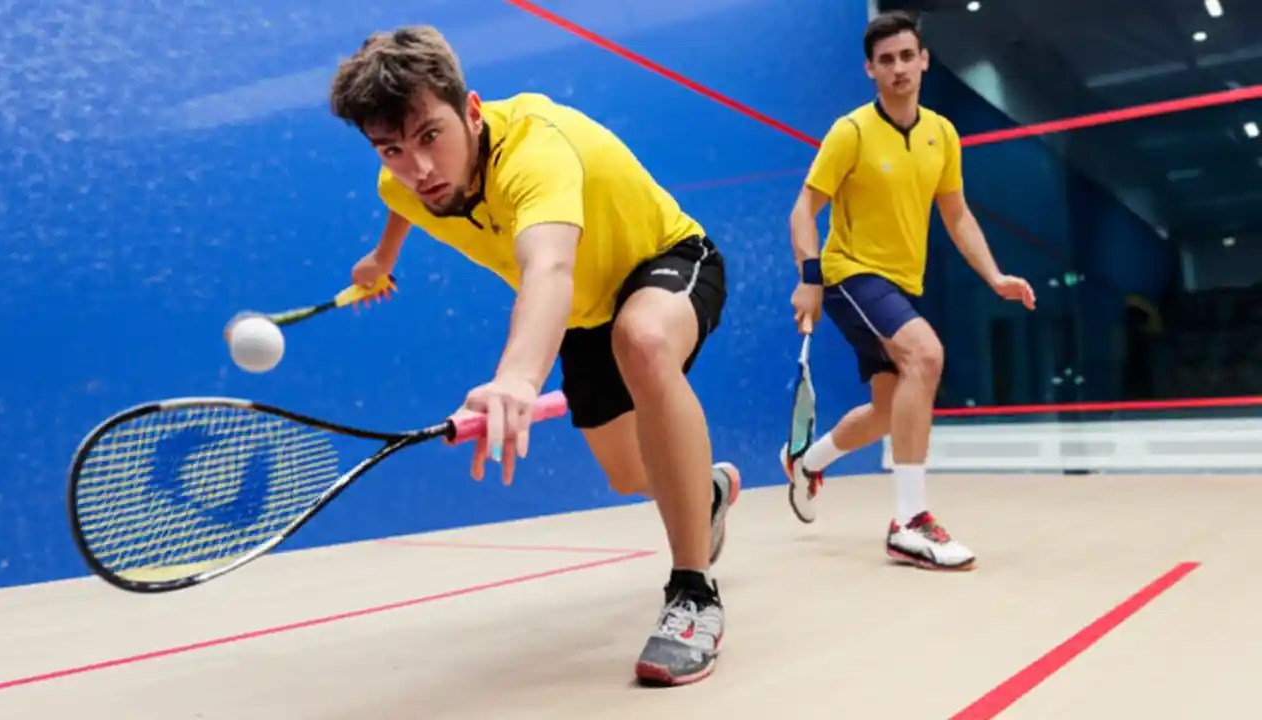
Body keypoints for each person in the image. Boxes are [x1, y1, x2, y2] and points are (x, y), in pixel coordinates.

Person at [328, 25, 738, 686]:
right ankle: (708, 490)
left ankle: (693, 594)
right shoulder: (400, 182)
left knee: (644, 341)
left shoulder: (535, 150)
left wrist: (518, 378)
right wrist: (382, 261)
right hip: (583, 317)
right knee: (632, 478)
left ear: (471, 110)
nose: (420, 168)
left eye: (431, 136)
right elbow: (402, 201)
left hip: (665, 261)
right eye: (392, 148)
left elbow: (548, 267)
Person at [781, 11, 1035, 571]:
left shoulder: (942, 134)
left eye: (907, 57)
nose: (898, 68)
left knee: (886, 410)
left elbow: (957, 213)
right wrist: (810, 277)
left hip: (900, 284)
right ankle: (910, 522)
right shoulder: (850, 133)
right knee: (926, 354)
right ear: (870, 69)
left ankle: (808, 460)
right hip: (850, 275)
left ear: (923, 61)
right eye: (886, 60)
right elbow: (804, 209)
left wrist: (994, 275)